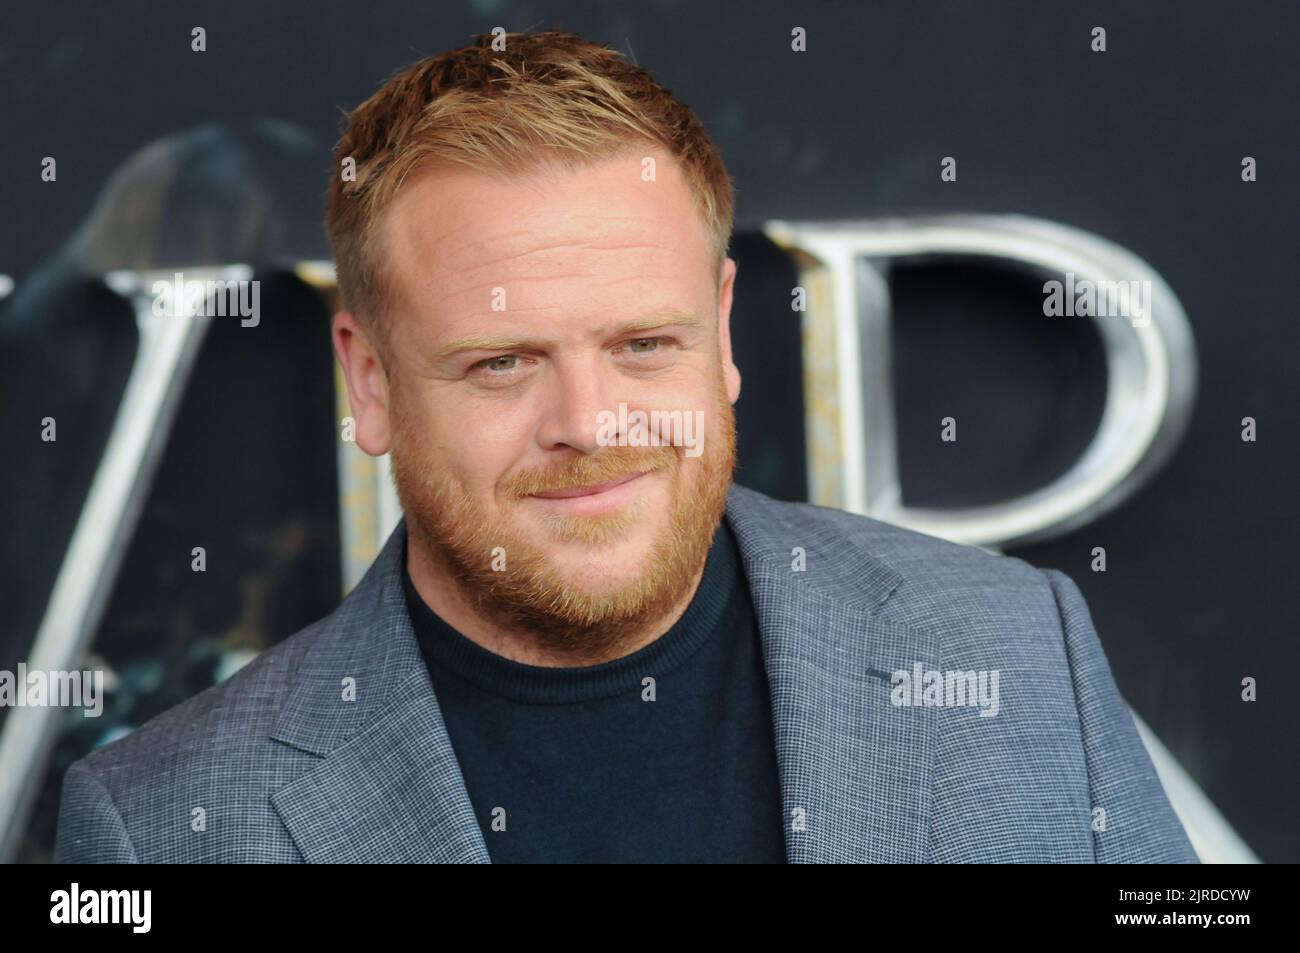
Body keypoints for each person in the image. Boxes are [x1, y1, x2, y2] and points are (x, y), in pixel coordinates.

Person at [55, 30, 1197, 863]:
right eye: (501, 361)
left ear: (726, 328)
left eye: (646, 343)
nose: (593, 425)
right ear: (369, 377)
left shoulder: (1018, 647)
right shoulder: (163, 823)